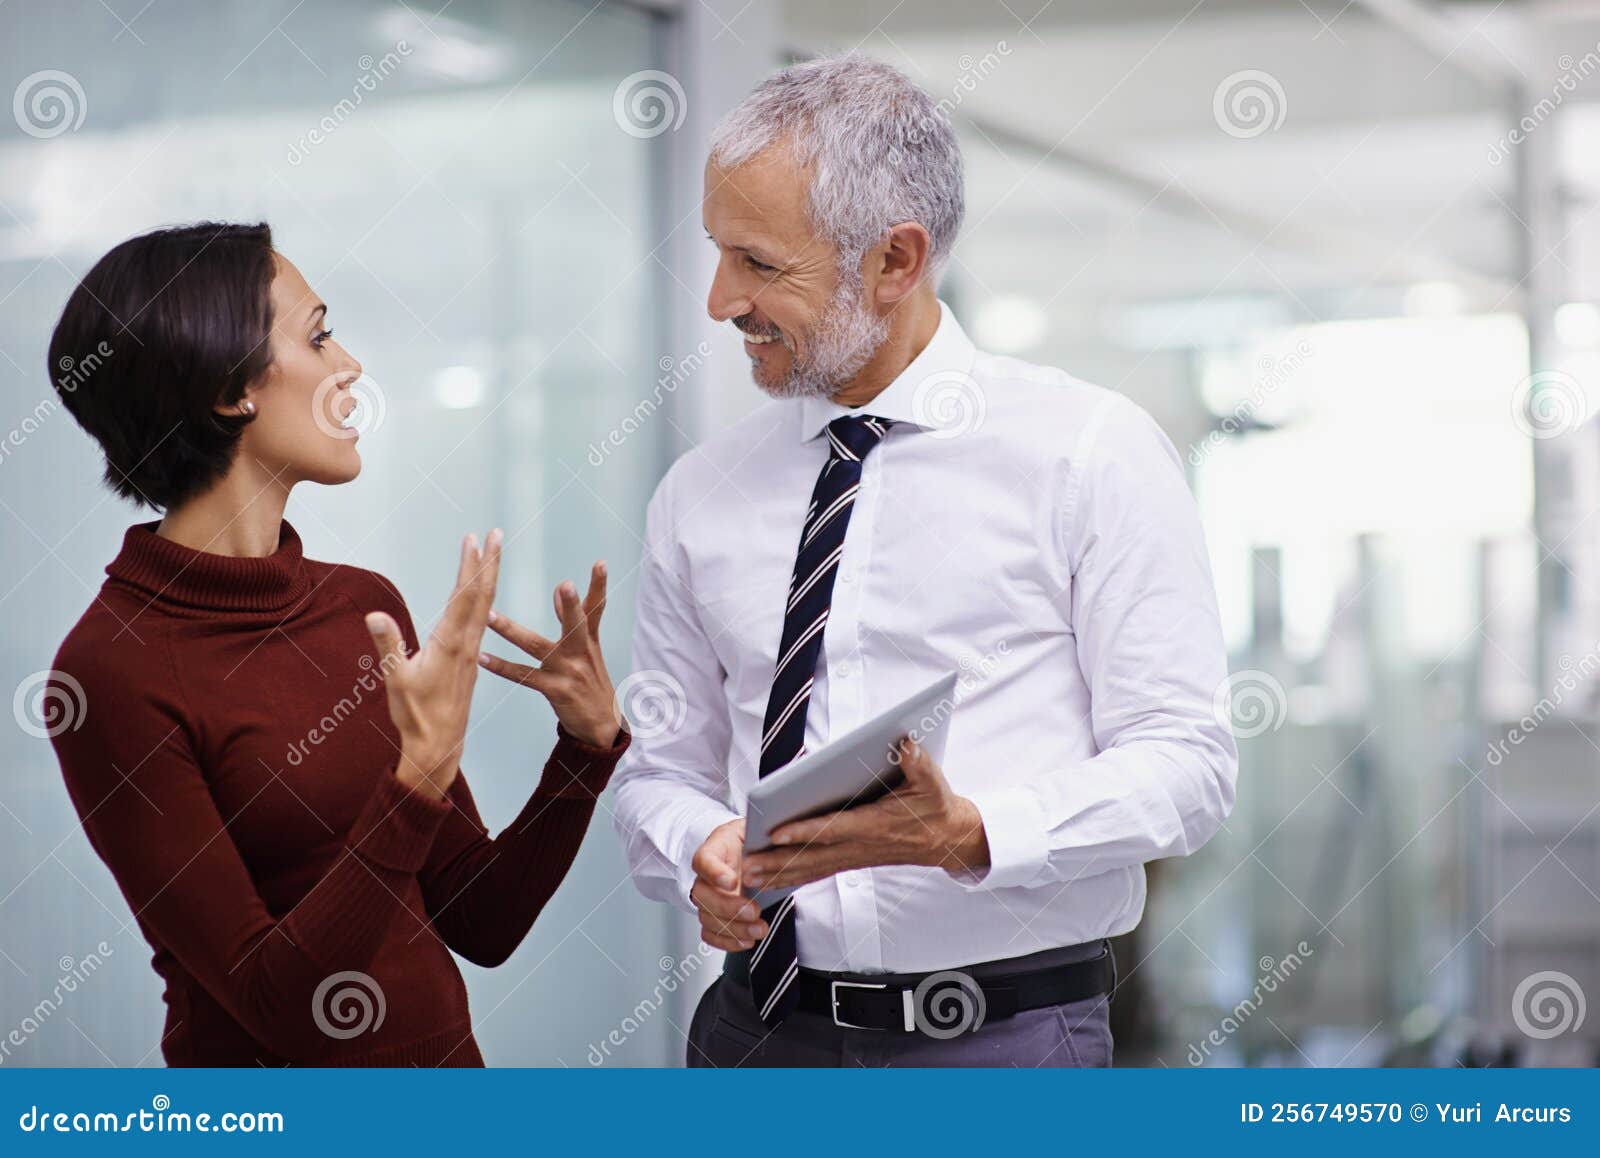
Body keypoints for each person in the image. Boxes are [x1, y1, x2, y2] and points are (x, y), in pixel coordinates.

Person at [611, 56, 1239, 1067]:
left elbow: (1188, 768)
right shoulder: (700, 493)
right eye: (717, 254)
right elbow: (658, 774)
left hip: (999, 1044)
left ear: (894, 262)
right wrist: (700, 845)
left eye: (760, 264)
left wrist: (974, 832)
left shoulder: (1086, 452)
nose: (722, 300)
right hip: (754, 1040)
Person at [45, 222, 626, 1066]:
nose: (348, 363)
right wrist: (416, 779)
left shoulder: (363, 606)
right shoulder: (110, 672)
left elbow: (480, 920)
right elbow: (277, 1005)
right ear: (227, 390)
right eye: (318, 336)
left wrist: (583, 748)